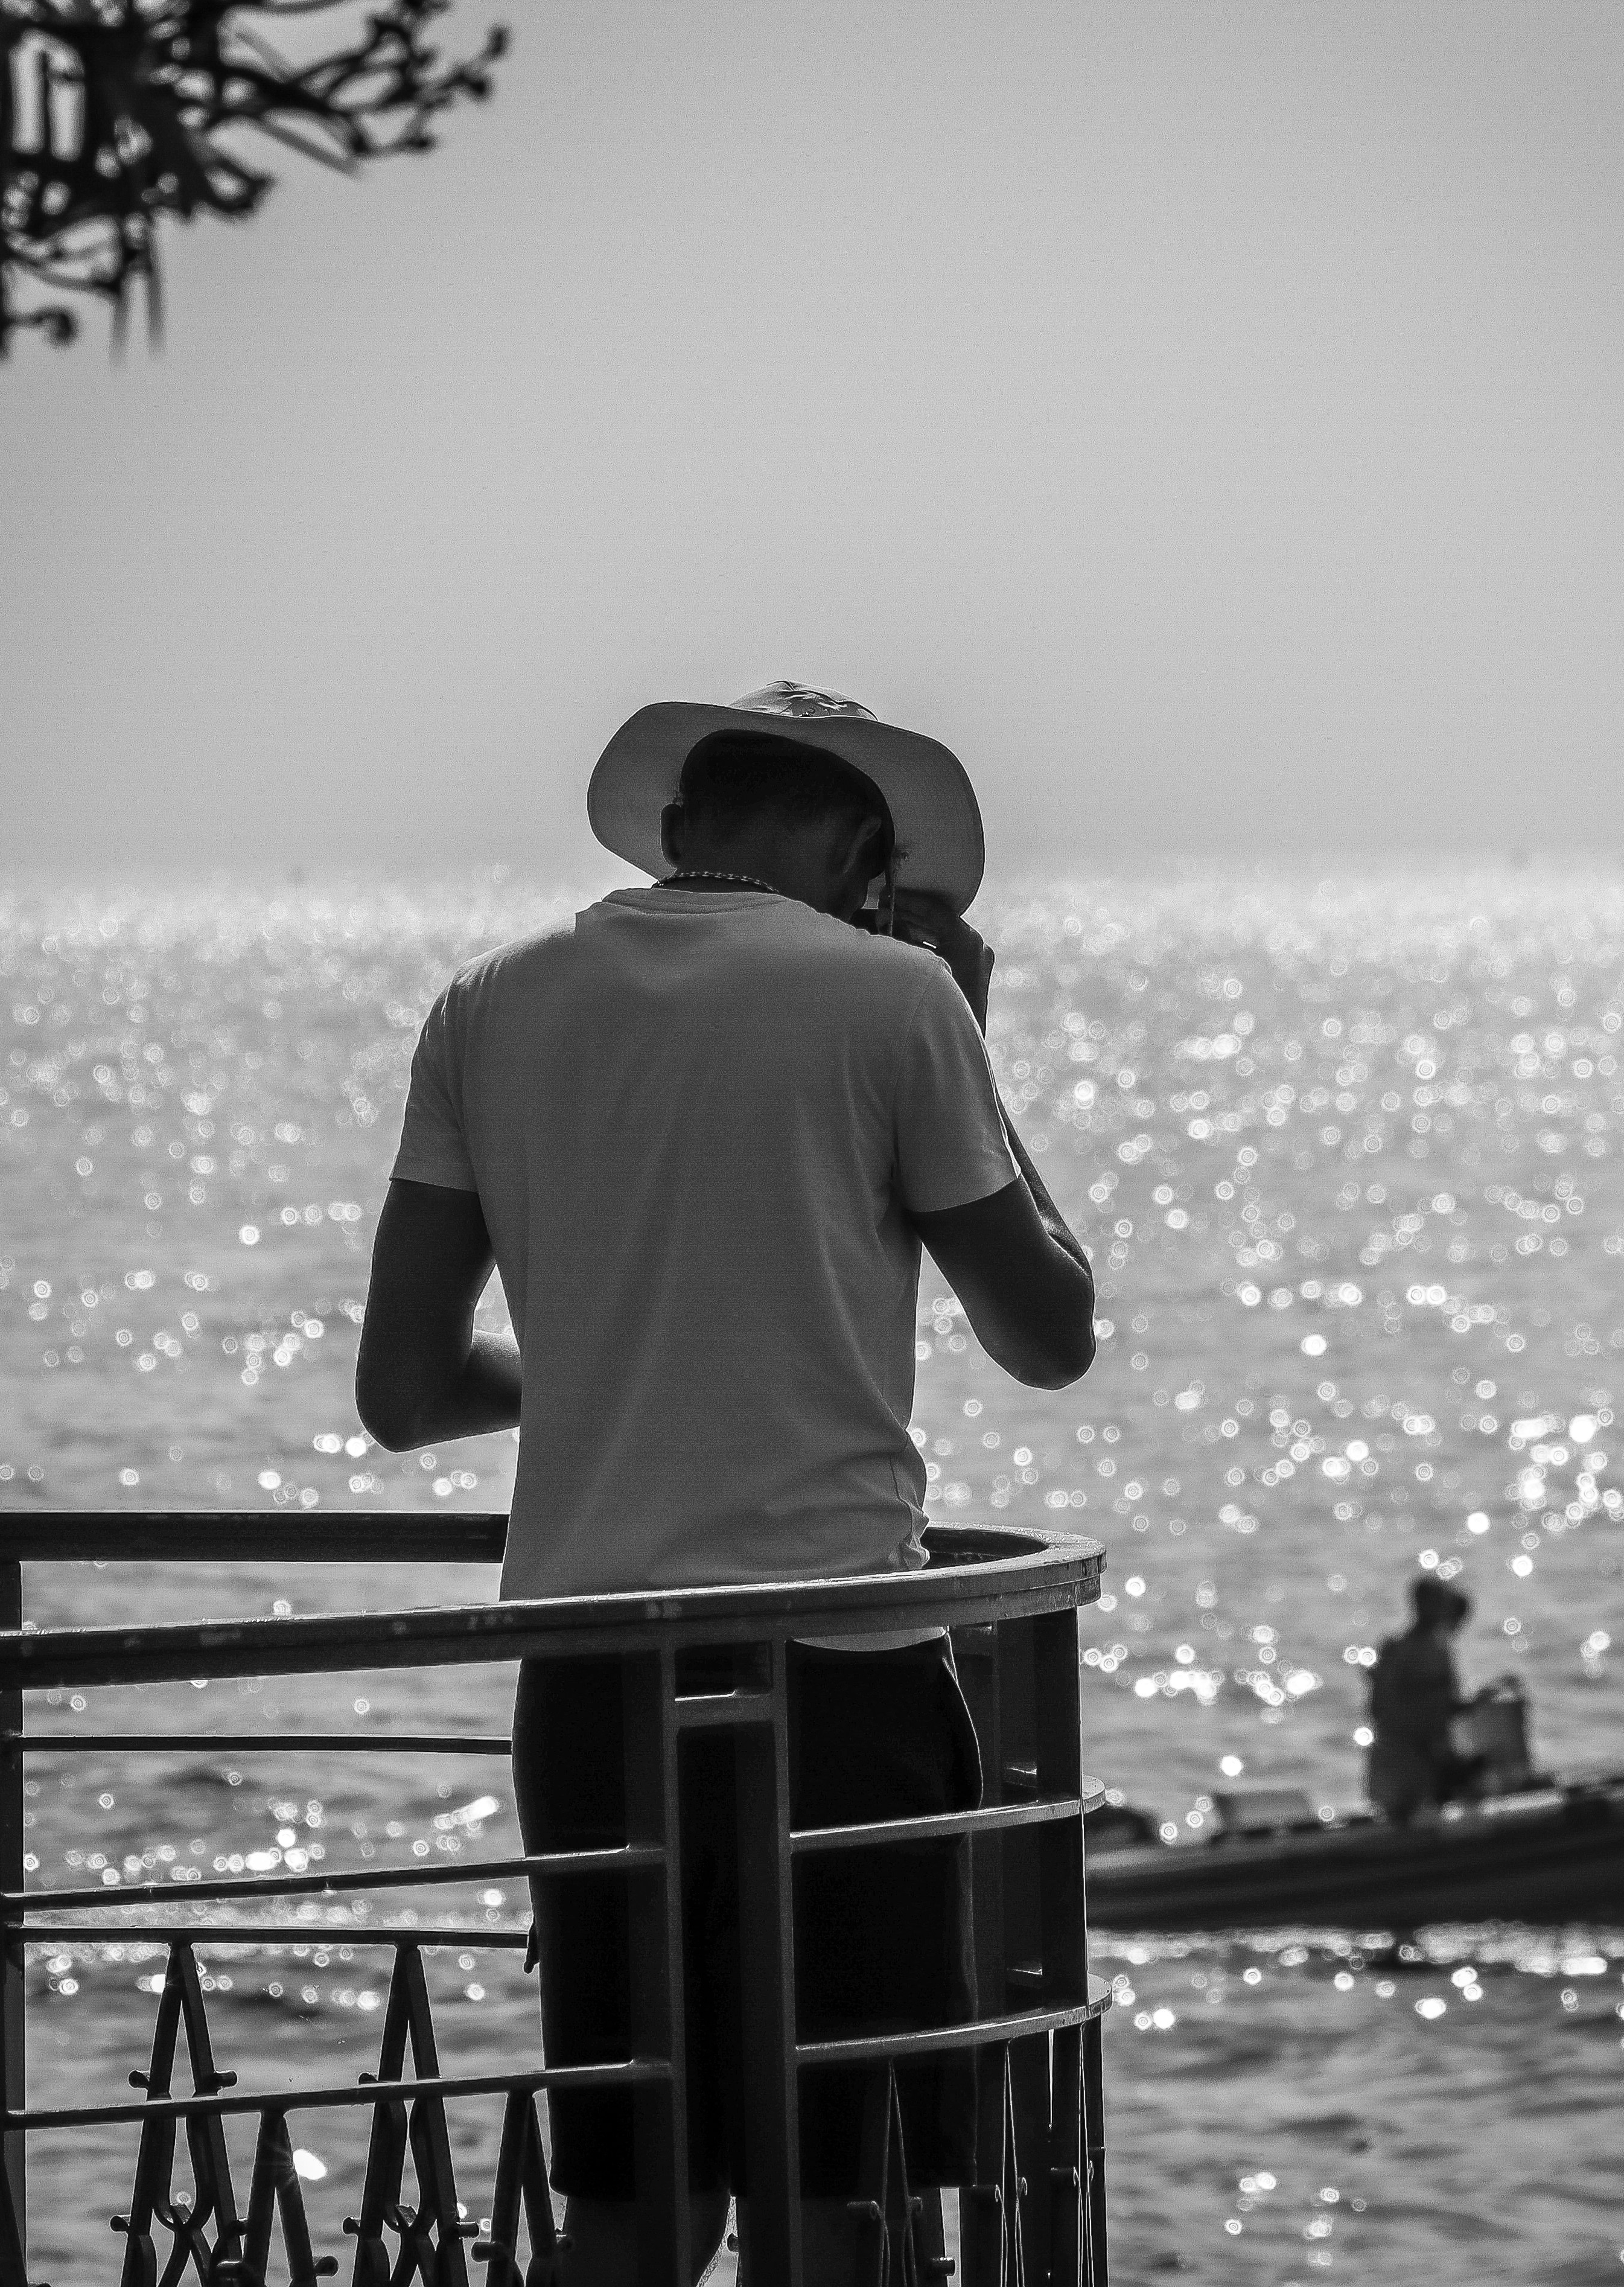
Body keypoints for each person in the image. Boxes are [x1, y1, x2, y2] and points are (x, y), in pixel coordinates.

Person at [354, 681, 1096, 2284]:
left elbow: (404, 1391)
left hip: (592, 1682)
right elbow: (1051, 1333)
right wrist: (968, 1035)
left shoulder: (485, 1002)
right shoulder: (891, 1006)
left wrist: (628, 1381)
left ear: (683, 829)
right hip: (834, 1681)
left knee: (636, 2208)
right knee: (848, 2202)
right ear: (863, 862)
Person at [1363, 1577, 1473, 1822]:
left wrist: (1481, 1701)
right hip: (1405, 1764)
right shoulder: (1398, 1651)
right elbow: (1379, 1710)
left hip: (1434, 1761)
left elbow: (1448, 1707)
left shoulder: (1440, 1651)